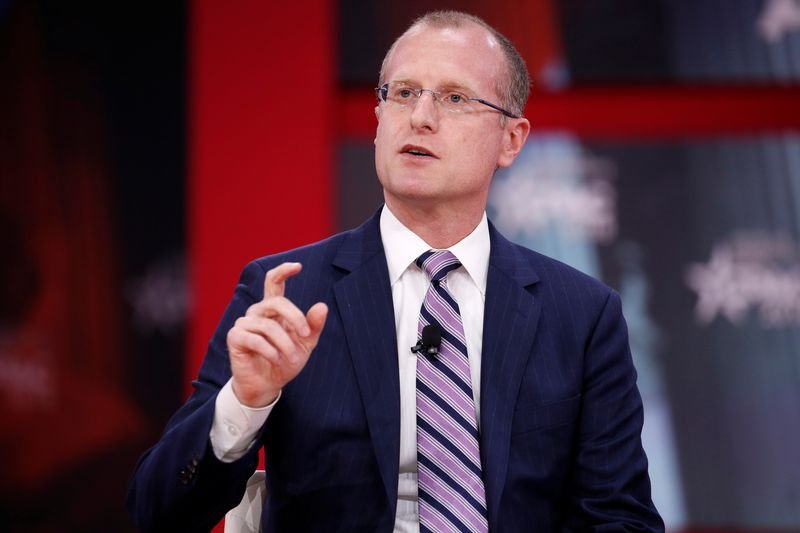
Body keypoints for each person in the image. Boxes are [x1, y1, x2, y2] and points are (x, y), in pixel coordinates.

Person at [128, 10, 664, 532]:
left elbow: (619, 516)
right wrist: (244, 403)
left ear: (511, 140)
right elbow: (158, 512)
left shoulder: (580, 315)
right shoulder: (286, 294)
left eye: (454, 98)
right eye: (403, 93)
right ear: (379, 118)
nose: (421, 117)